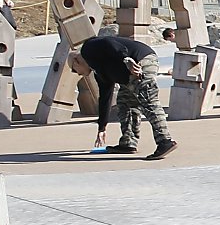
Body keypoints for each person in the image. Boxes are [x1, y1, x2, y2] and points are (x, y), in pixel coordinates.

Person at [70, 30, 176, 160]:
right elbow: (105, 98)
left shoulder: (88, 48)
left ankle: (165, 141)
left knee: (148, 100)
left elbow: (108, 43)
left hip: (139, 61)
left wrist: (126, 59)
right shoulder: (99, 71)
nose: (78, 74)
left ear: (76, 60)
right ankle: (128, 143)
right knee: (125, 103)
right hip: (129, 74)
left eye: (74, 70)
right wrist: (102, 128)